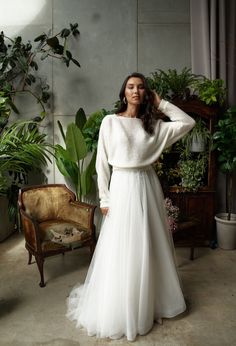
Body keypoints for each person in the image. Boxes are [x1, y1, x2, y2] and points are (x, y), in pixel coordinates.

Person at [66, 72, 196, 341]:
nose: (135, 91)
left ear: (147, 93)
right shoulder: (110, 122)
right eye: (130, 87)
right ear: (123, 92)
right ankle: (121, 305)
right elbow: (102, 162)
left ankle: (147, 302)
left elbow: (188, 122)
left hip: (147, 185)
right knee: (122, 247)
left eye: (141, 88)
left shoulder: (154, 126)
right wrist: (104, 198)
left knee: (148, 244)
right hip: (122, 186)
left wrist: (161, 104)